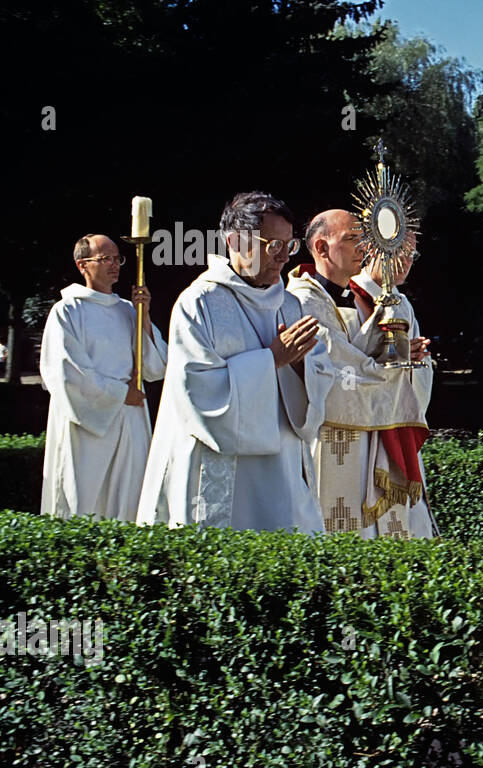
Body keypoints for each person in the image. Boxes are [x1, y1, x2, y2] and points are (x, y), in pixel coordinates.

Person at [137, 192, 333, 531]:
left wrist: (302, 368)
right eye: (273, 245)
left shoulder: (289, 305)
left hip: (280, 469)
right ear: (235, 241)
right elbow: (197, 391)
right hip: (219, 465)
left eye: (290, 245)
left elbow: (316, 381)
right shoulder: (198, 303)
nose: (284, 257)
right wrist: (271, 359)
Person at [288, 211, 436, 538]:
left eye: (364, 239)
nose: (363, 248)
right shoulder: (302, 300)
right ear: (322, 248)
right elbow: (334, 367)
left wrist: (409, 358)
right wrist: (395, 362)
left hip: (373, 433)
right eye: (352, 239)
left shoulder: (365, 300)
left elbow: (377, 357)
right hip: (329, 438)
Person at [40, 233, 167, 520]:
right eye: (105, 258)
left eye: (117, 258)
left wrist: (144, 315)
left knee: (130, 500)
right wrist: (122, 394)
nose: (114, 265)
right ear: (83, 265)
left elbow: (155, 367)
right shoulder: (67, 311)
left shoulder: (127, 310)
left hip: (130, 419)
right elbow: (67, 373)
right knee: (84, 500)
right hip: (89, 422)